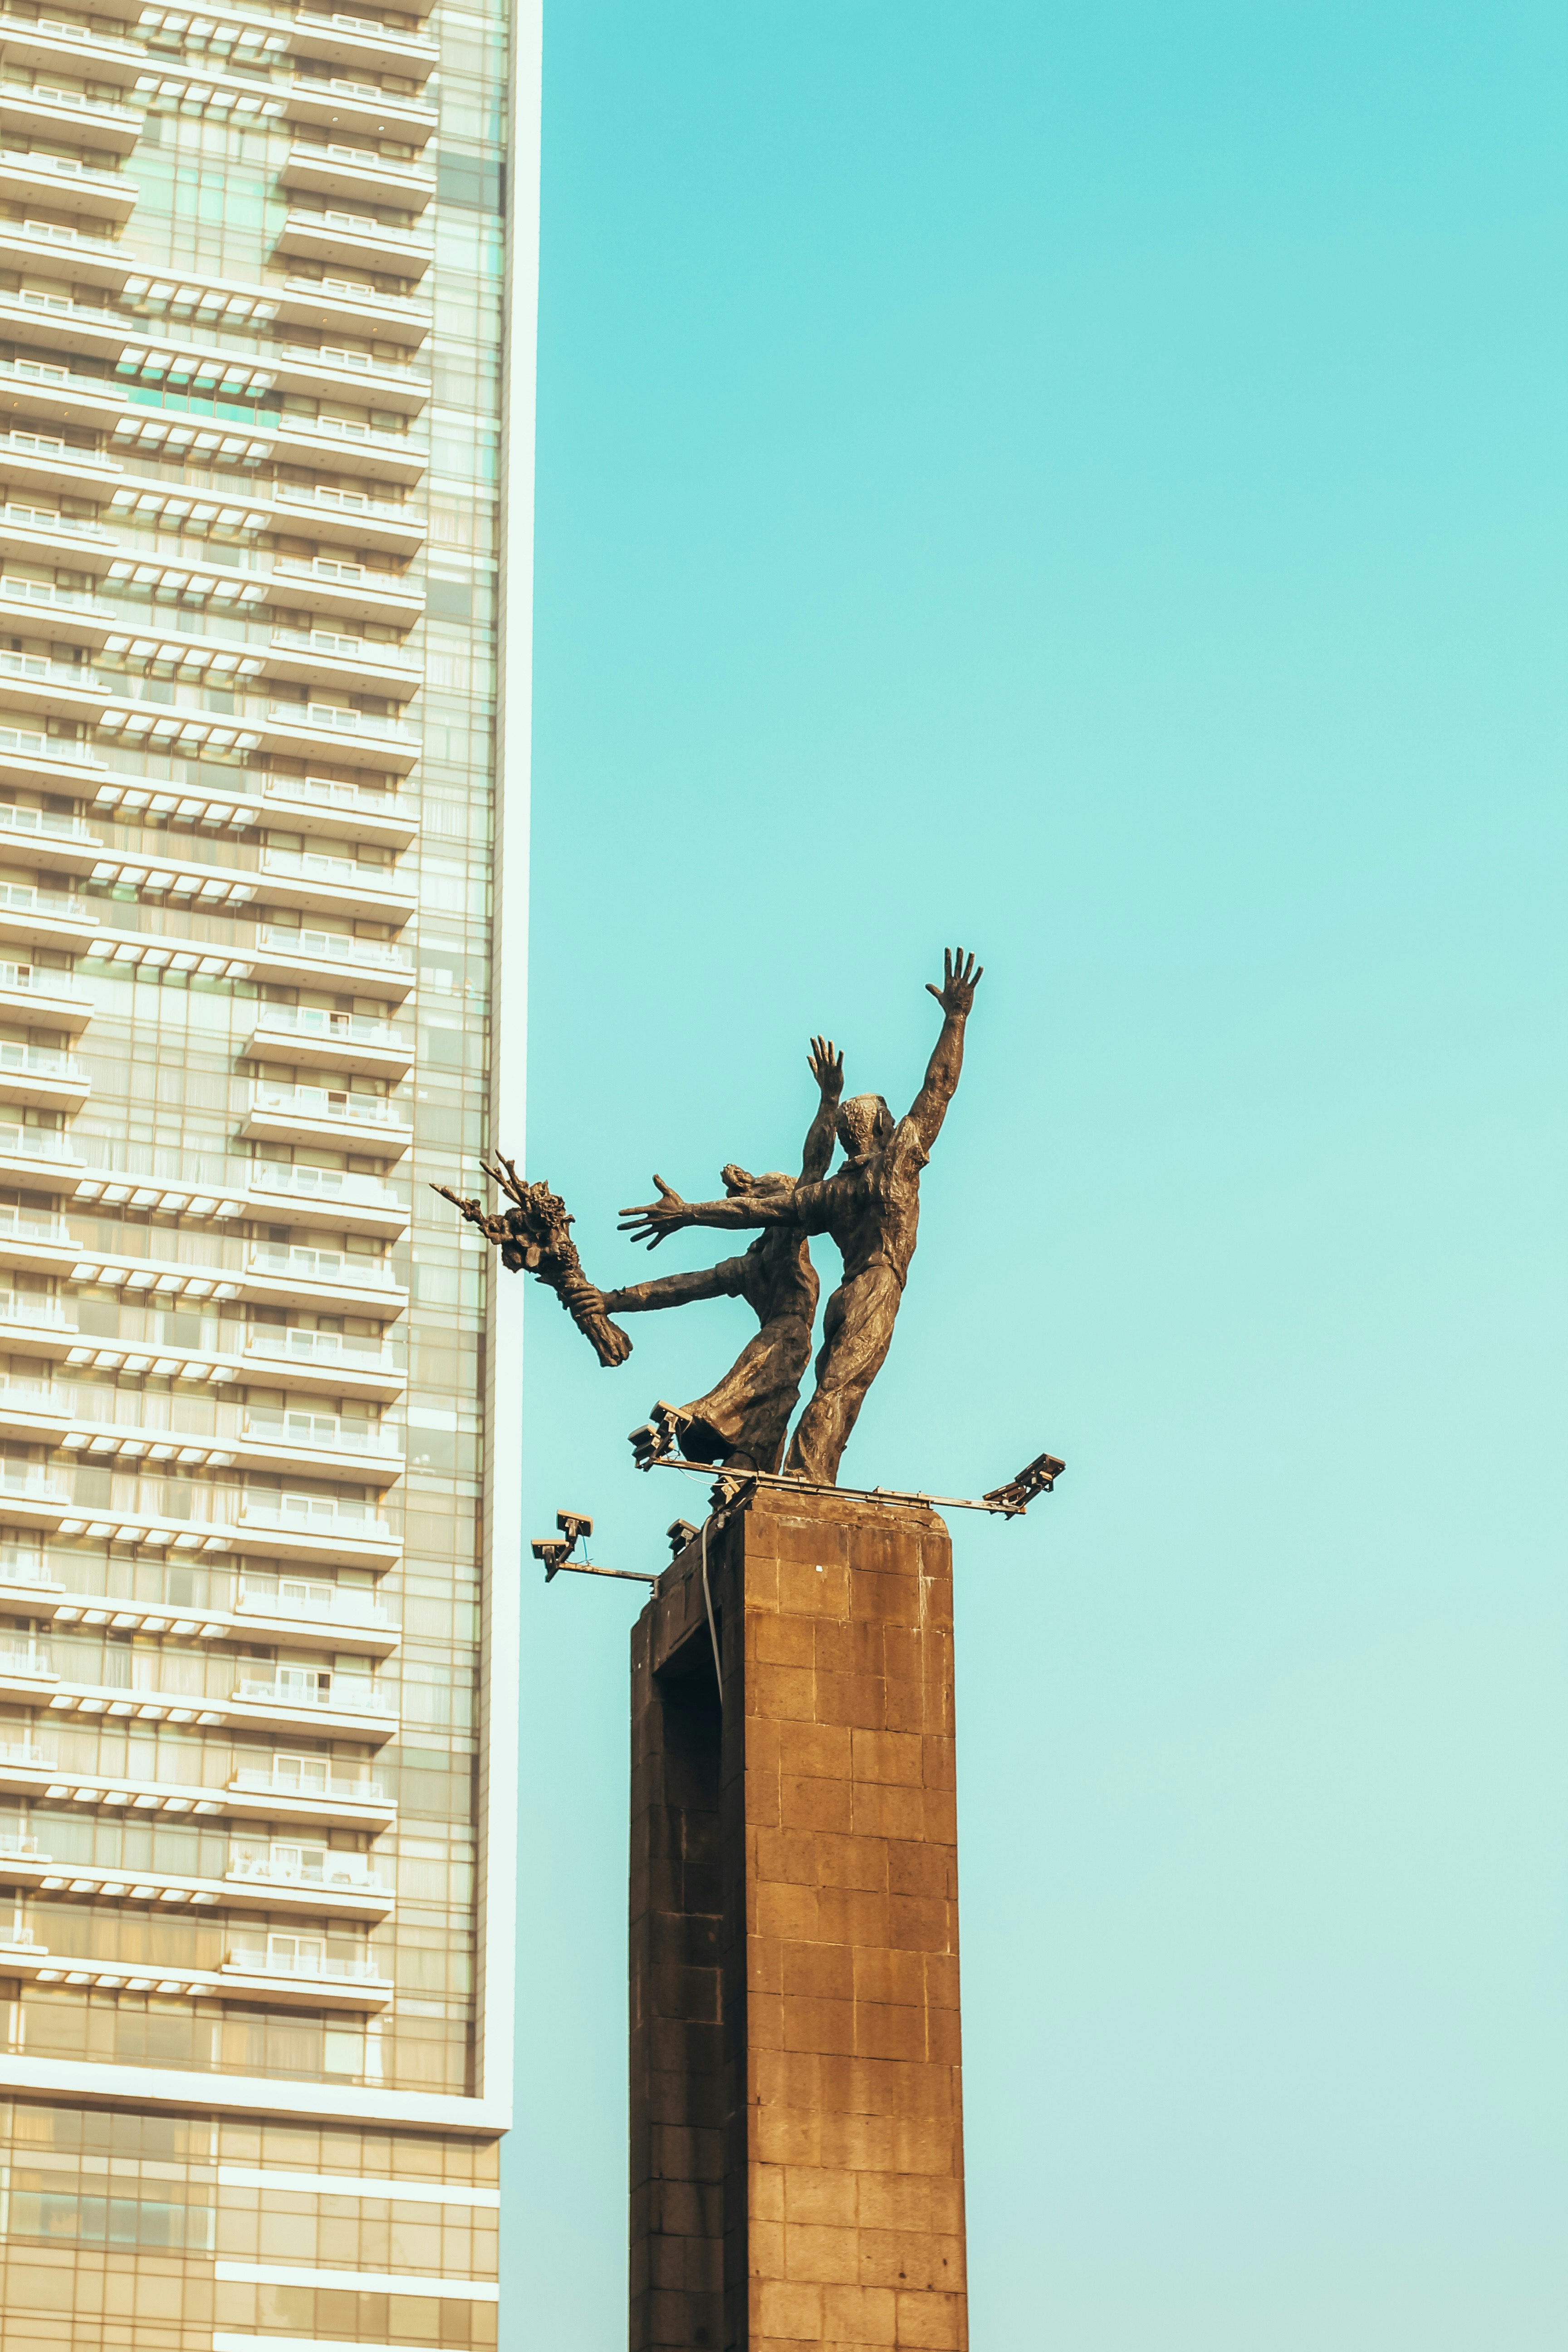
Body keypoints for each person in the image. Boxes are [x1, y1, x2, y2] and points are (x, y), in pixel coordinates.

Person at [620, 947, 981, 1485]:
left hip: (842, 1296)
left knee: (833, 1388)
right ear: (883, 1129)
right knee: (841, 1390)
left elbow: (756, 1209)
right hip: (877, 1286)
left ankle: (800, 1476)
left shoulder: (831, 1193)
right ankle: (807, 1480)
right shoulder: (897, 1165)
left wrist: (692, 1213)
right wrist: (956, 1020)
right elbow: (939, 1088)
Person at [601, 1039, 843, 1474]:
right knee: (746, 1393)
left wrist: (614, 1300)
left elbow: (680, 1288)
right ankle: (696, 1421)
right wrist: (829, 1102)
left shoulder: (749, 1267)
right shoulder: (784, 1244)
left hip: (777, 1340)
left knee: (767, 1419)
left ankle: (743, 1470)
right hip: (786, 1340)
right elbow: (814, 1169)